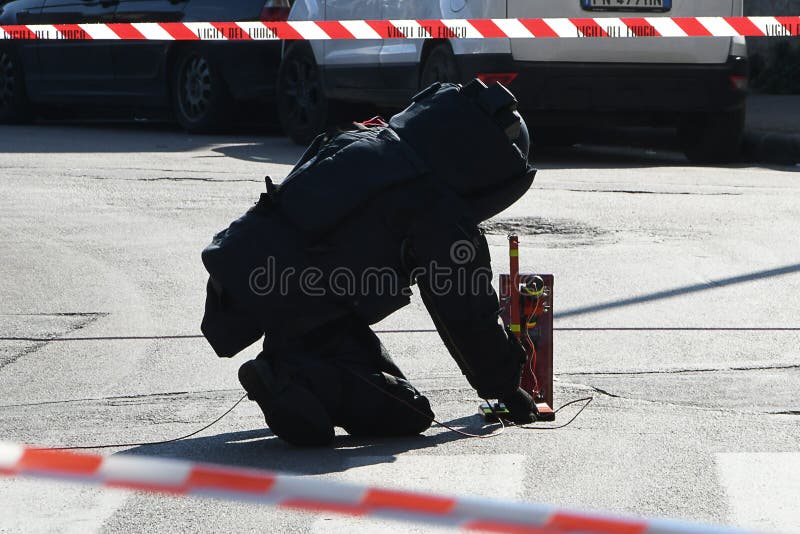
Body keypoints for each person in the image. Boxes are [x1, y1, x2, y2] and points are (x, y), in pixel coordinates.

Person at [201, 79, 538, 446]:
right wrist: (505, 387)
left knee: (367, 368)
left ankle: (291, 364)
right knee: (409, 412)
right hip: (302, 301)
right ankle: (291, 374)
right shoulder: (438, 207)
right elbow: (466, 313)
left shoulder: (367, 136)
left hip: (241, 268)